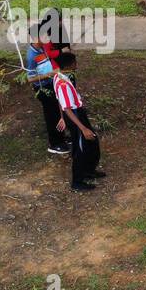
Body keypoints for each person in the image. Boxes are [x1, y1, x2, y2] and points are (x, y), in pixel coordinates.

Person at [51, 54, 103, 192]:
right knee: (80, 148)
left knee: (92, 143)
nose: (76, 64)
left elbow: (60, 102)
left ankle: (88, 171)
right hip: (75, 116)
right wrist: (83, 128)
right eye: (74, 62)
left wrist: (62, 117)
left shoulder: (59, 76)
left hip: (75, 114)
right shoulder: (63, 84)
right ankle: (77, 181)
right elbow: (67, 107)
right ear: (69, 65)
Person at [25, 33, 70, 155]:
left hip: (50, 84)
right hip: (43, 88)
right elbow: (30, 78)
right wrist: (49, 74)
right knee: (52, 115)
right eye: (44, 36)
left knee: (57, 112)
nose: (48, 39)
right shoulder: (31, 56)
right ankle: (55, 144)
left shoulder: (42, 48)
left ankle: (61, 137)